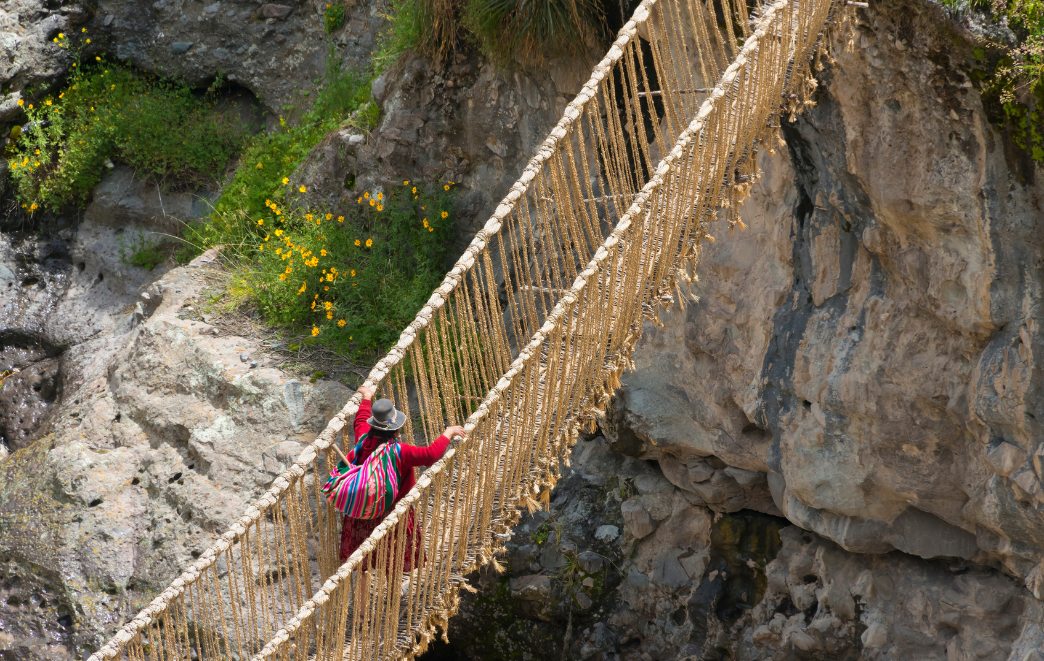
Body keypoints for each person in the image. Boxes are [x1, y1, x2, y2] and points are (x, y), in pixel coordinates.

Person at [338, 385, 465, 569]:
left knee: (363, 558)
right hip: (392, 513)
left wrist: (366, 397)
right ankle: (391, 586)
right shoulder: (400, 451)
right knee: (392, 559)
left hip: (362, 510)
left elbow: (360, 420)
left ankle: (364, 585)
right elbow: (431, 455)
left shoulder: (363, 439)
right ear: (395, 430)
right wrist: (449, 432)